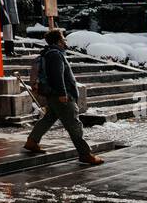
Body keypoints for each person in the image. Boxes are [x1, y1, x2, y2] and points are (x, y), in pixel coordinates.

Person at [25, 29, 103, 165]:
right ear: (58, 41)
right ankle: (85, 154)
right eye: (63, 38)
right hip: (61, 95)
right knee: (74, 125)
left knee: (49, 118)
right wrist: (62, 94)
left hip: (54, 95)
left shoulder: (50, 53)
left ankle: (32, 141)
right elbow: (57, 76)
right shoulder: (55, 55)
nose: (65, 40)